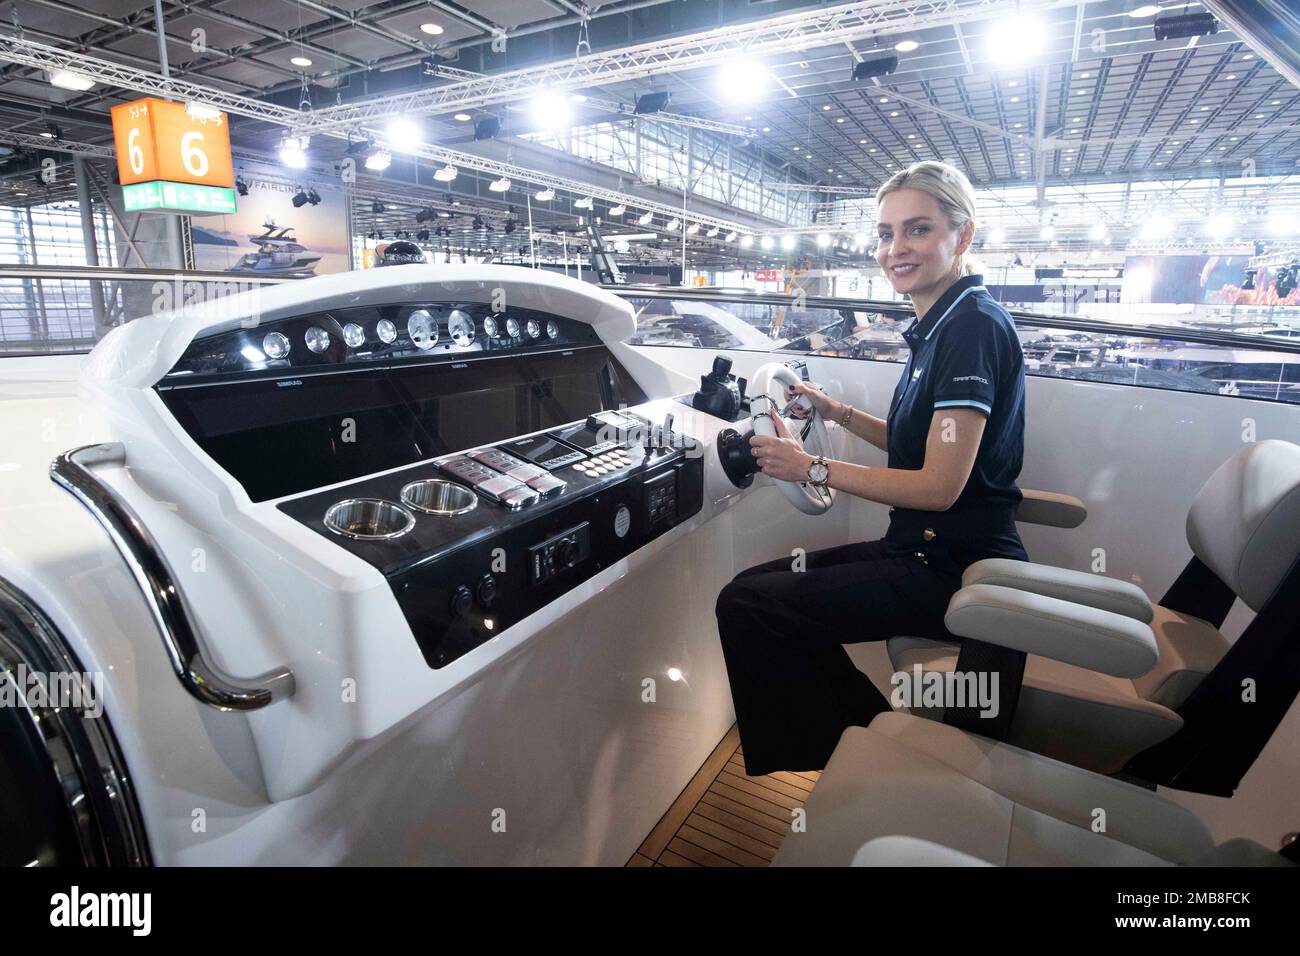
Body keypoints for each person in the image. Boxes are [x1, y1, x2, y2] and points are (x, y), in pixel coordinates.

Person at [714, 160, 1029, 776]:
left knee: (752, 607)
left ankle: (869, 756)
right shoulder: (942, 325)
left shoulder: (969, 330)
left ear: (961, 237)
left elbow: (939, 487)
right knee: (752, 597)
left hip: (953, 565)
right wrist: (837, 411)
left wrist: (812, 467)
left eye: (916, 230)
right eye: (885, 235)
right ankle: (871, 743)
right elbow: (920, 445)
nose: (895, 249)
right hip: (921, 548)